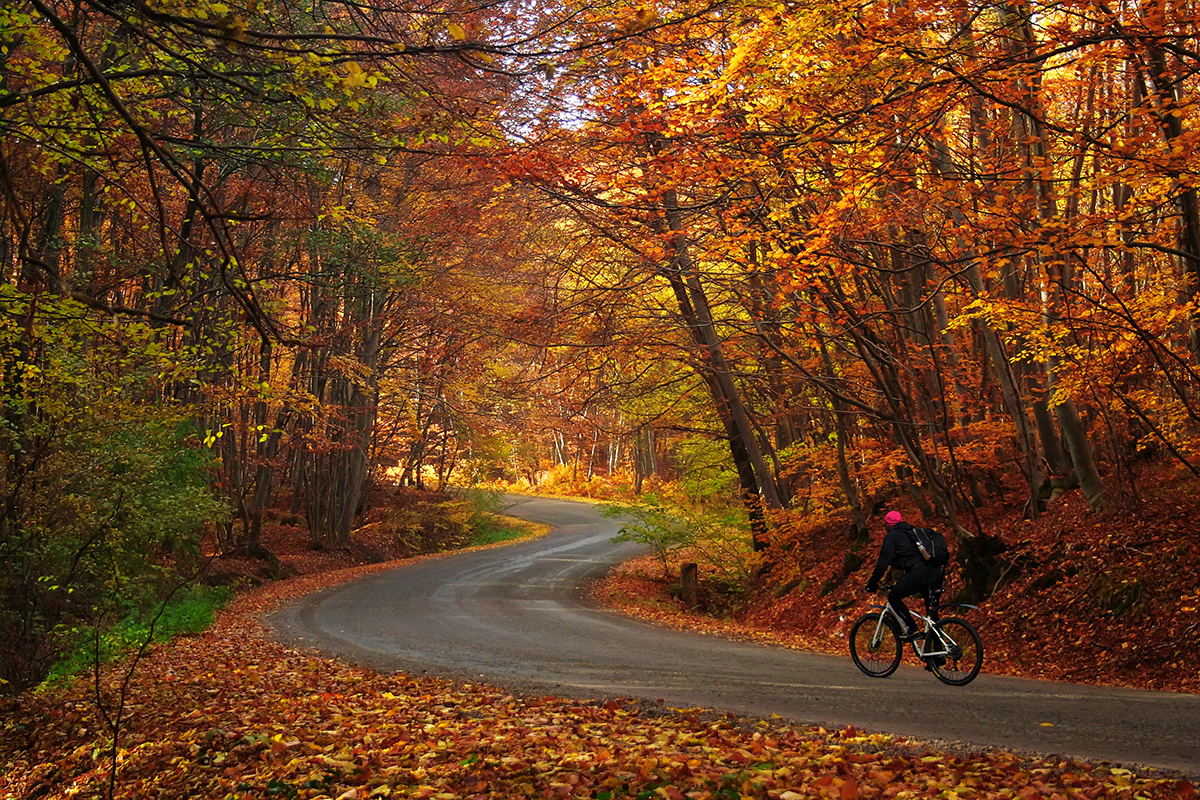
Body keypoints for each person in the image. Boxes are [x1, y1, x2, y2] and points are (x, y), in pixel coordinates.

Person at [865, 510, 943, 641]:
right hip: (936, 573)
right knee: (932, 615)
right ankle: (937, 654)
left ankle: (912, 630)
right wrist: (895, 562)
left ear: (888, 526)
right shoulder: (913, 533)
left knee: (893, 596)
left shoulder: (892, 537)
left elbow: (882, 564)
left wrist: (872, 583)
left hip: (919, 574)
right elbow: (909, 559)